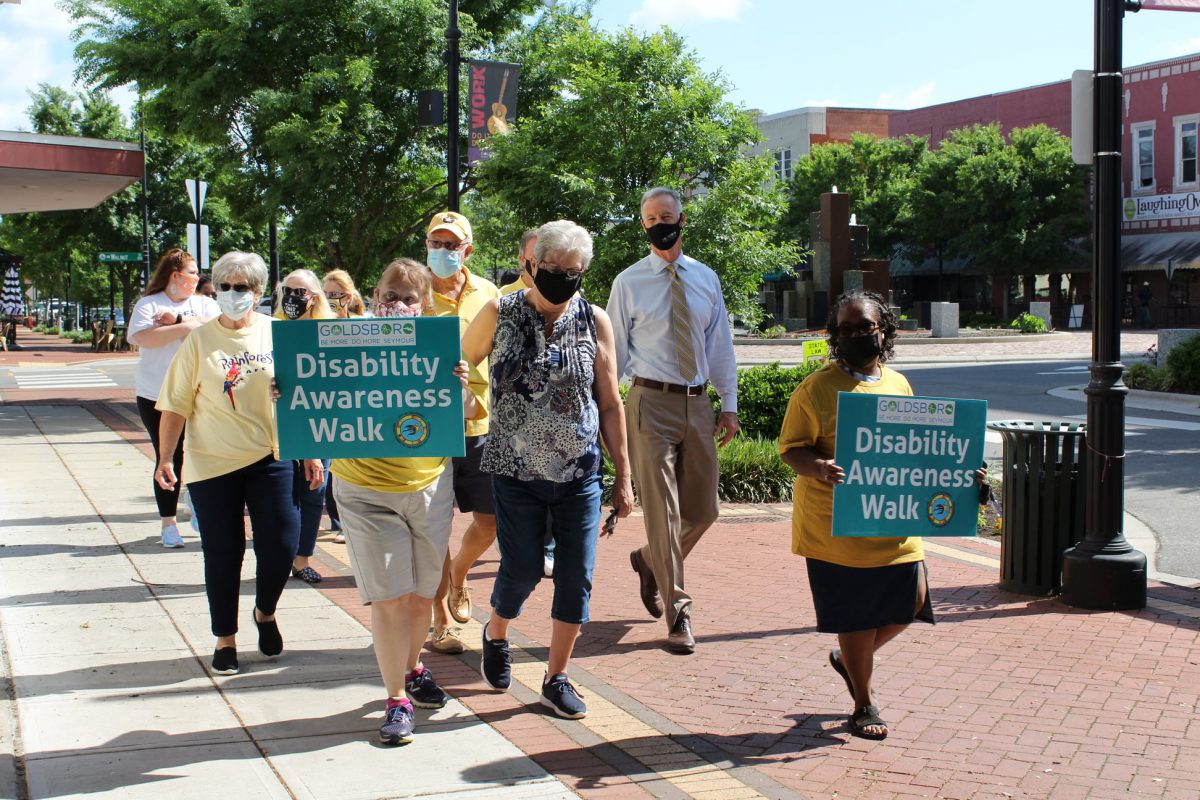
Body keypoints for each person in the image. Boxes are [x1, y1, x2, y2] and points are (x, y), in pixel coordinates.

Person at [778, 290, 983, 741]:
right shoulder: (816, 389)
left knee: (913, 602)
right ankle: (863, 703)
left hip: (893, 518)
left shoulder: (899, 384)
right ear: (835, 336)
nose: (856, 335)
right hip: (837, 527)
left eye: (865, 327)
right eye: (846, 329)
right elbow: (791, 448)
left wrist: (961, 472)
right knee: (856, 617)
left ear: (884, 330)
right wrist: (820, 467)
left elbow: (917, 449)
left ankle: (850, 660)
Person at [463, 219, 634, 720]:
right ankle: (497, 630)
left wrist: (624, 476)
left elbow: (610, 402)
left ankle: (556, 677)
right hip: (514, 471)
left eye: (573, 271)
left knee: (576, 578)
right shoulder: (500, 311)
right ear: (532, 265)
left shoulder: (594, 320)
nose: (562, 278)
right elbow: (457, 364)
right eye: (554, 268)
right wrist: (467, 397)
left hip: (580, 473)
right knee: (521, 571)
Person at [326, 258, 485, 745]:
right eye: (390, 295)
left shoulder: (442, 349)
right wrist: (284, 392)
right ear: (374, 297)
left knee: (420, 596)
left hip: (429, 487)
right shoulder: (344, 343)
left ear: (425, 304)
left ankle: (413, 667)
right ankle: (396, 698)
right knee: (390, 598)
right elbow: (313, 395)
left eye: (409, 298)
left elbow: (472, 411)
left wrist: (459, 386)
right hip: (365, 488)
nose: (397, 305)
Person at [154, 251, 322, 676]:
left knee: (282, 544)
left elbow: (305, 395)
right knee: (223, 552)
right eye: (224, 286)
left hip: (272, 456)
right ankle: (224, 638)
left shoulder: (276, 333)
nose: (231, 294)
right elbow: (175, 404)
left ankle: (265, 611)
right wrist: (165, 458)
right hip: (213, 462)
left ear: (258, 291)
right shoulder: (199, 341)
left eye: (241, 287)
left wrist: (310, 451)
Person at [606, 187, 740, 655]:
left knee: (704, 512)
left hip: (698, 404)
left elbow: (719, 345)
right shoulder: (629, 282)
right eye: (650, 218)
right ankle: (678, 612)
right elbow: (614, 353)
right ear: (643, 225)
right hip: (649, 402)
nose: (659, 224)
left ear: (682, 221)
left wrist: (729, 404)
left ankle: (648, 560)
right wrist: (606, 410)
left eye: (666, 216)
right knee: (662, 513)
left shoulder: (705, 278)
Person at [421, 211, 502, 657]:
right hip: (424, 429)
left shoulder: (489, 294)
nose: (443, 251)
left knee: (489, 522)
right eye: (436, 243)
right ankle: (439, 621)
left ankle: (458, 575)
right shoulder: (412, 293)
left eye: (451, 245)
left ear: (467, 250)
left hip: (479, 425)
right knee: (434, 529)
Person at [127, 248, 219, 548]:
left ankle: (199, 507)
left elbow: (216, 332)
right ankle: (168, 523)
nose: (197, 278)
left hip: (201, 393)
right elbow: (143, 337)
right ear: (176, 275)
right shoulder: (149, 304)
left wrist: (176, 321)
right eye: (192, 273)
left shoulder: (205, 304)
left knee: (201, 453)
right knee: (168, 456)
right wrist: (188, 326)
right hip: (156, 394)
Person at [500, 229, 557, 577]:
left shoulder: (566, 298)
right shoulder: (501, 300)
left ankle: (547, 549)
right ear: (523, 260)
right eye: (535, 259)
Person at [274, 269, 336, 583]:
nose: (293, 298)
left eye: (300, 292)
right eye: (288, 291)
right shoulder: (271, 329)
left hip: (319, 423)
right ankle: (279, 557)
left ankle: (302, 560)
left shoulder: (328, 331)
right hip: (279, 426)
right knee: (283, 497)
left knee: (313, 493)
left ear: (314, 298)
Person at [320, 268, 366, 542]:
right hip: (326, 405)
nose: (328, 299)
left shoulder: (364, 325)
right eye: (324, 293)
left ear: (348, 297)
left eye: (334, 294)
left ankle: (346, 523)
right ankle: (337, 521)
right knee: (330, 466)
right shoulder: (313, 325)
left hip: (358, 404)